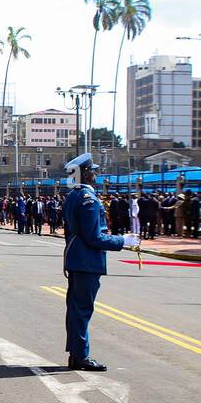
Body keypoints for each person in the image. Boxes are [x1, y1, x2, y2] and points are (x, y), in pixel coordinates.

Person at [62, 152, 140, 372]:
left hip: (77, 259)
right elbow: (94, 237)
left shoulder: (74, 196)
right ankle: (80, 356)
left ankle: (76, 353)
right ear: (84, 174)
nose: (95, 174)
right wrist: (122, 241)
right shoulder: (88, 198)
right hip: (87, 261)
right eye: (92, 171)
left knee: (76, 309)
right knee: (82, 310)